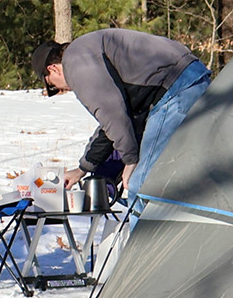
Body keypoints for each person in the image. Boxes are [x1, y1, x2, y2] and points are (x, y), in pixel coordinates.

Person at [30, 29, 211, 198]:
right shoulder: (86, 50)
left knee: (140, 183)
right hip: (190, 78)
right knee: (169, 178)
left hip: (176, 87)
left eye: (52, 84)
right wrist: (82, 169)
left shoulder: (76, 63)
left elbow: (113, 116)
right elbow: (115, 121)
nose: (60, 89)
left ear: (53, 69)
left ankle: (145, 233)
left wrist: (131, 161)